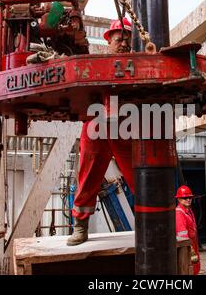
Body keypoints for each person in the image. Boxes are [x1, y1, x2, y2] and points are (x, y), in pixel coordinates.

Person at [67, 18, 134, 246]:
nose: (123, 44)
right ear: (109, 41)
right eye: (119, 39)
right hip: (96, 125)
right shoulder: (97, 62)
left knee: (141, 176)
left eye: (127, 40)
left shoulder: (138, 64)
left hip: (125, 126)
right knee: (87, 176)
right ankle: (80, 227)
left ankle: (151, 222)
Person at [175, 185, 201, 275]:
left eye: (189, 197)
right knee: (188, 270)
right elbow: (182, 236)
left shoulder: (189, 210)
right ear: (178, 199)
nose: (188, 199)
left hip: (193, 244)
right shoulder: (179, 213)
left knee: (195, 268)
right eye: (184, 198)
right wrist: (191, 251)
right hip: (187, 248)